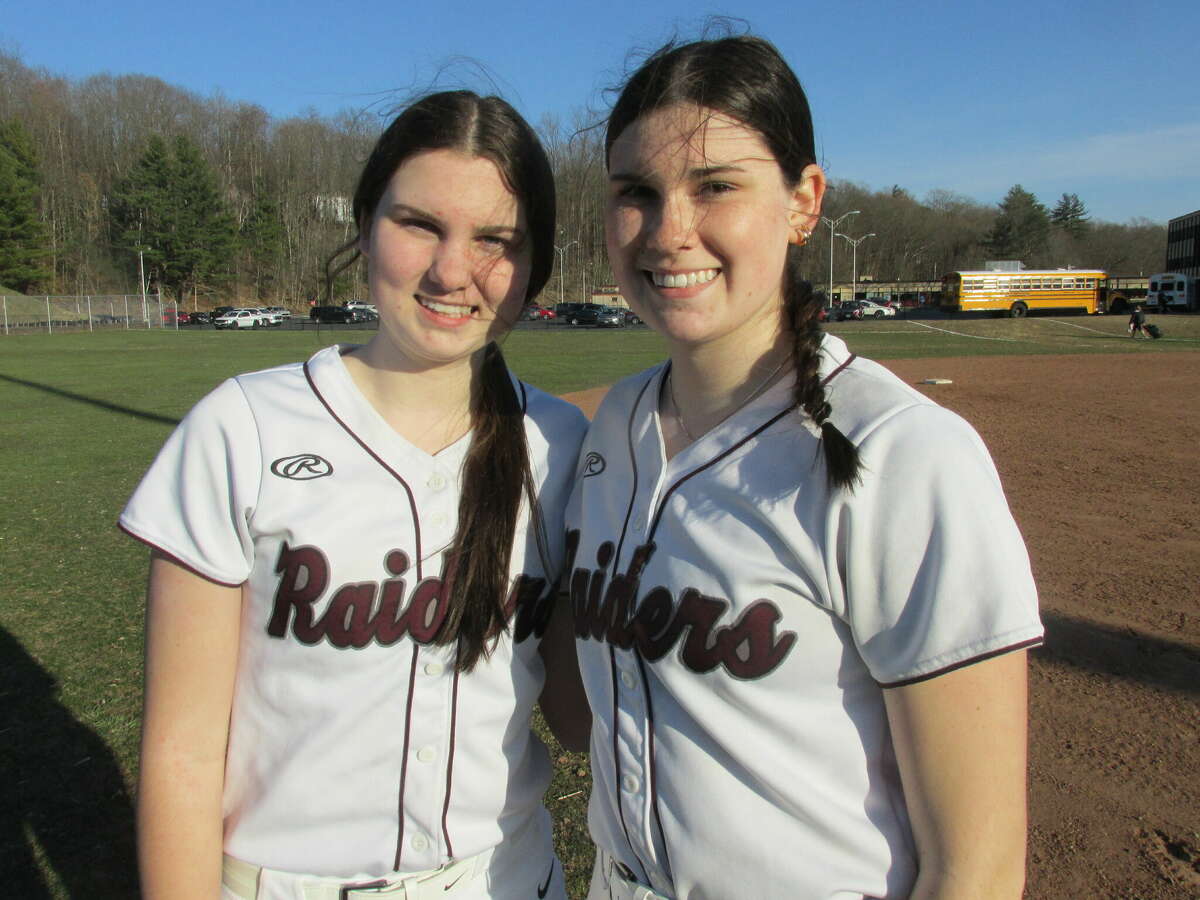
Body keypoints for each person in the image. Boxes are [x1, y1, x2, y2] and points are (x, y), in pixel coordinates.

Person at [564, 35, 1044, 899]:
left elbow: (978, 867)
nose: (670, 232)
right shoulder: (606, 436)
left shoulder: (905, 455)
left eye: (716, 186)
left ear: (803, 202)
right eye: (637, 193)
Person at [120, 90, 590, 900]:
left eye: (493, 239)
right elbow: (181, 754)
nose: (452, 270)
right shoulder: (243, 428)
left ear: (533, 263)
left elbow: (583, 718)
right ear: (368, 222)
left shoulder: (563, 447)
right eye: (419, 224)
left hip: (507, 880)